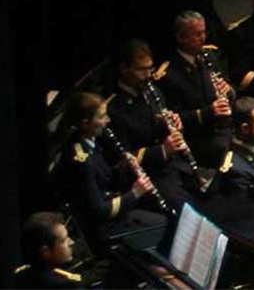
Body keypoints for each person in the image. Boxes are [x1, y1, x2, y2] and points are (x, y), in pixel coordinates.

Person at [54, 92, 168, 255]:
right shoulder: (81, 161)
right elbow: (99, 211)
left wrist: (122, 168)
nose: (108, 120)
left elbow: (102, 178)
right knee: (162, 222)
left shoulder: (88, 141)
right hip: (102, 229)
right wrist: (135, 193)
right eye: (102, 117)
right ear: (86, 123)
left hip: (110, 211)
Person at [105, 40, 198, 207]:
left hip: (173, 165)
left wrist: (175, 125)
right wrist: (162, 150)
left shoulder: (152, 90)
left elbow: (162, 128)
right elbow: (122, 159)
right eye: (142, 69)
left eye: (150, 68)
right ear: (124, 69)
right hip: (150, 176)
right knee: (185, 207)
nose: (148, 75)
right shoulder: (113, 109)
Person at [157, 10, 234, 165]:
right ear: (181, 38)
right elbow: (174, 118)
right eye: (196, 35)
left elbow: (231, 88)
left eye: (204, 32)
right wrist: (207, 113)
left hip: (224, 127)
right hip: (200, 137)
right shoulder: (169, 75)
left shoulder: (209, 55)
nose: (203, 38)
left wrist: (229, 91)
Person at [17, 212, 83, 289]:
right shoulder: (63, 285)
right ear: (46, 251)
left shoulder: (21, 274)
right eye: (64, 240)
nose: (72, 242)